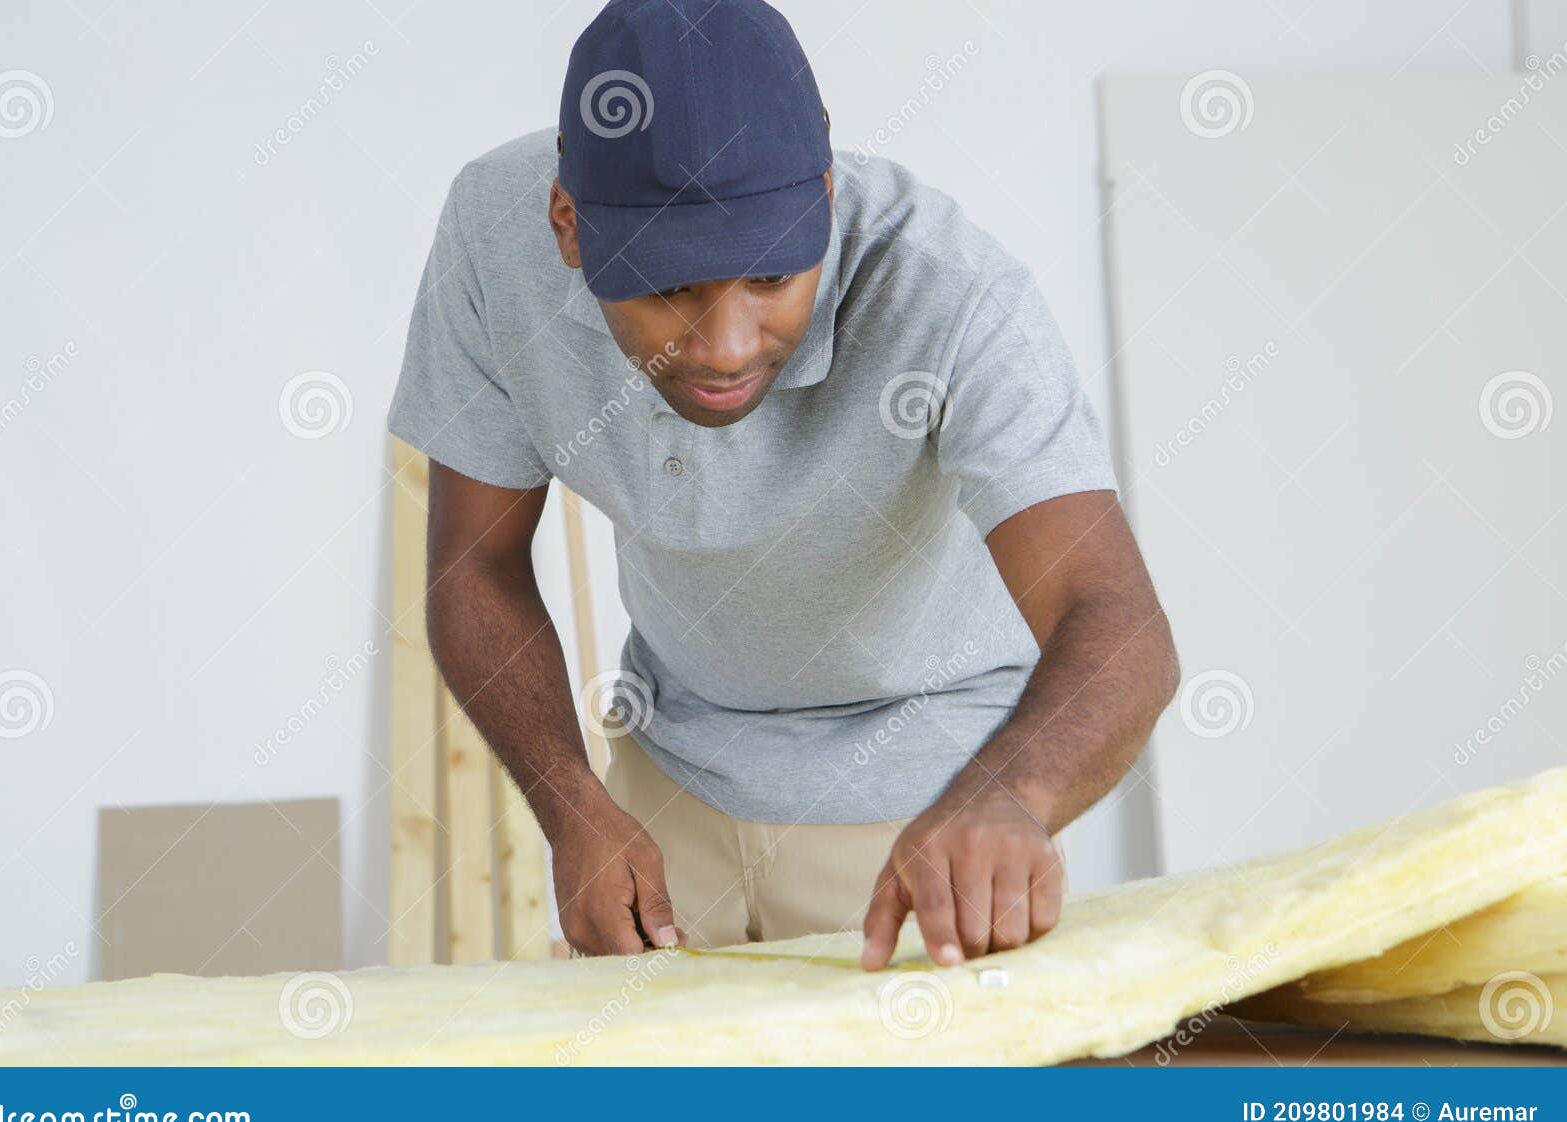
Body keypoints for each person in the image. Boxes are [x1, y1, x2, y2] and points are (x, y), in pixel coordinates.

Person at [387, 0, 1179, 971]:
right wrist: (573, 809)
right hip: (662, 795)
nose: (724, 347)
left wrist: (1009, 796)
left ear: (826, 195)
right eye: (671, 286)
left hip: (922, 827)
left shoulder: (953, 294)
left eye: (771, 276)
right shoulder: (490, 236)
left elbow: (1117, 619)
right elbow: (476, 564)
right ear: (568, 227)